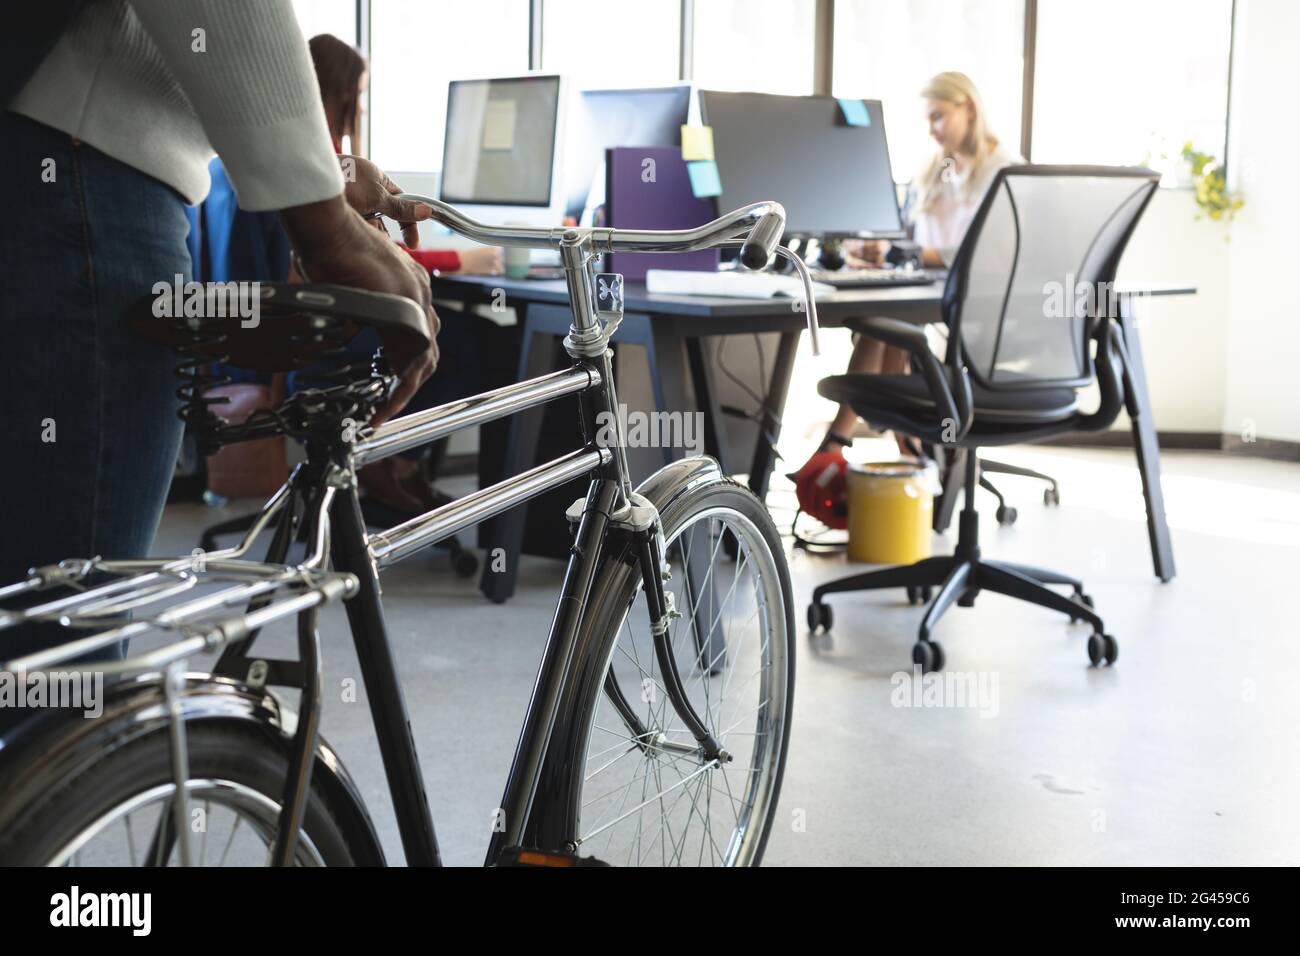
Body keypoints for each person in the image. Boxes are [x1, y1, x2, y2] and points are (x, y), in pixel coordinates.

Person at [0, 1, 438, 670]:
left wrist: (328, 176)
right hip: (81, 169)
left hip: (53, 161)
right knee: (62, 658)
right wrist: (328, 225)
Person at [803, 71, 1021, 468]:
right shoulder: (935, 171)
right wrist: (880, 249)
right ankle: (895, 444)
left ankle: (844, 442)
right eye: (927, 120)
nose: (932, 130)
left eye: (938, 117)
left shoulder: (1004, 170)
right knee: (882, 320)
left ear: (968, 109)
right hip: (927, 298)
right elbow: (910, 238)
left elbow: (993, 253)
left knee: (885, 323)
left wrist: (916, 255)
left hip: (981, 307)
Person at [307, 33, 504, 278]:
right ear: (336, 95)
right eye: (357, 94)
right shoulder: (319, 169)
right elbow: (373, 252)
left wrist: (356, 149)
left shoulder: (328, 160)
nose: (361, 109)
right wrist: (458, 260)